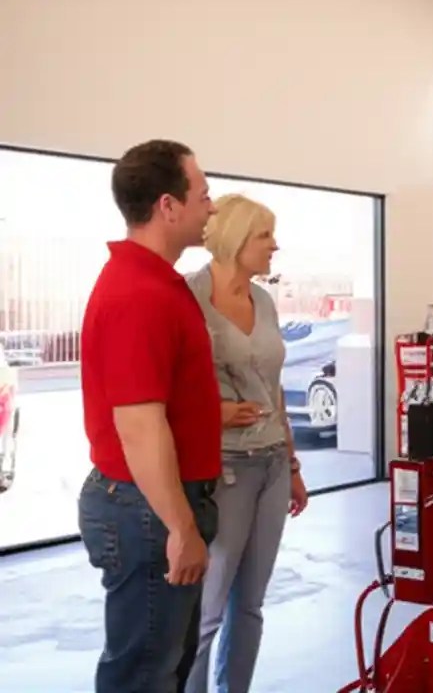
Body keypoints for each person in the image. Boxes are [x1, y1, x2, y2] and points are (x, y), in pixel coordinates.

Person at [78, 139, 222, 692]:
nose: (211, 208)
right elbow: (138, 427)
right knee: (143, 674)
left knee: (166, 668)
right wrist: (181, 527)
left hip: (154, 504)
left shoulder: (158, 284)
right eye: (203, 195)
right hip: (148, 511)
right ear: (169, 206)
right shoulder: (140, 293)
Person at [185, 193, 309, 693]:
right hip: (224, 468)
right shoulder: (189, 296)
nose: (274, 246)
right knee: (209, 611)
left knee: (250, 605)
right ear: (237, 239)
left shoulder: (264, 301)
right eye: (265, 236)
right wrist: (213, 413)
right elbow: (165, 387)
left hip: (273, 463)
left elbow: (274, 388)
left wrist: (294, 466)